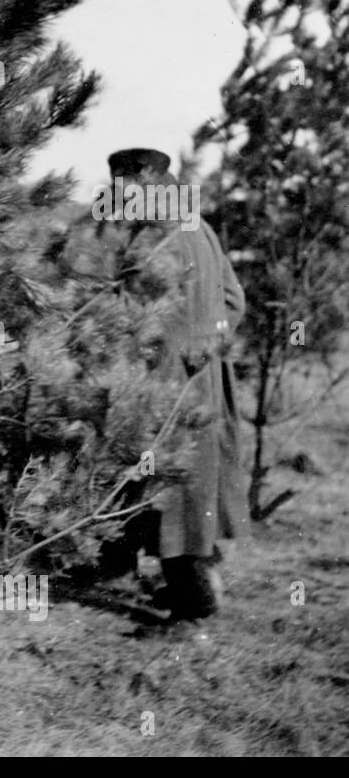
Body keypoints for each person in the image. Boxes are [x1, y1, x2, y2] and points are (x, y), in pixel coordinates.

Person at [105, 147, 249, 621]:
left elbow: (122, 310)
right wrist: (210, 341)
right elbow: (234, 300)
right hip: (206, 380)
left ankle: (195, 613)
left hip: (168, 382)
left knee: (176, 494)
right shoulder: (199, 227)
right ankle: (196, 580)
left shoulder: (152, 232)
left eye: (122, 184)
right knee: (195, 489)